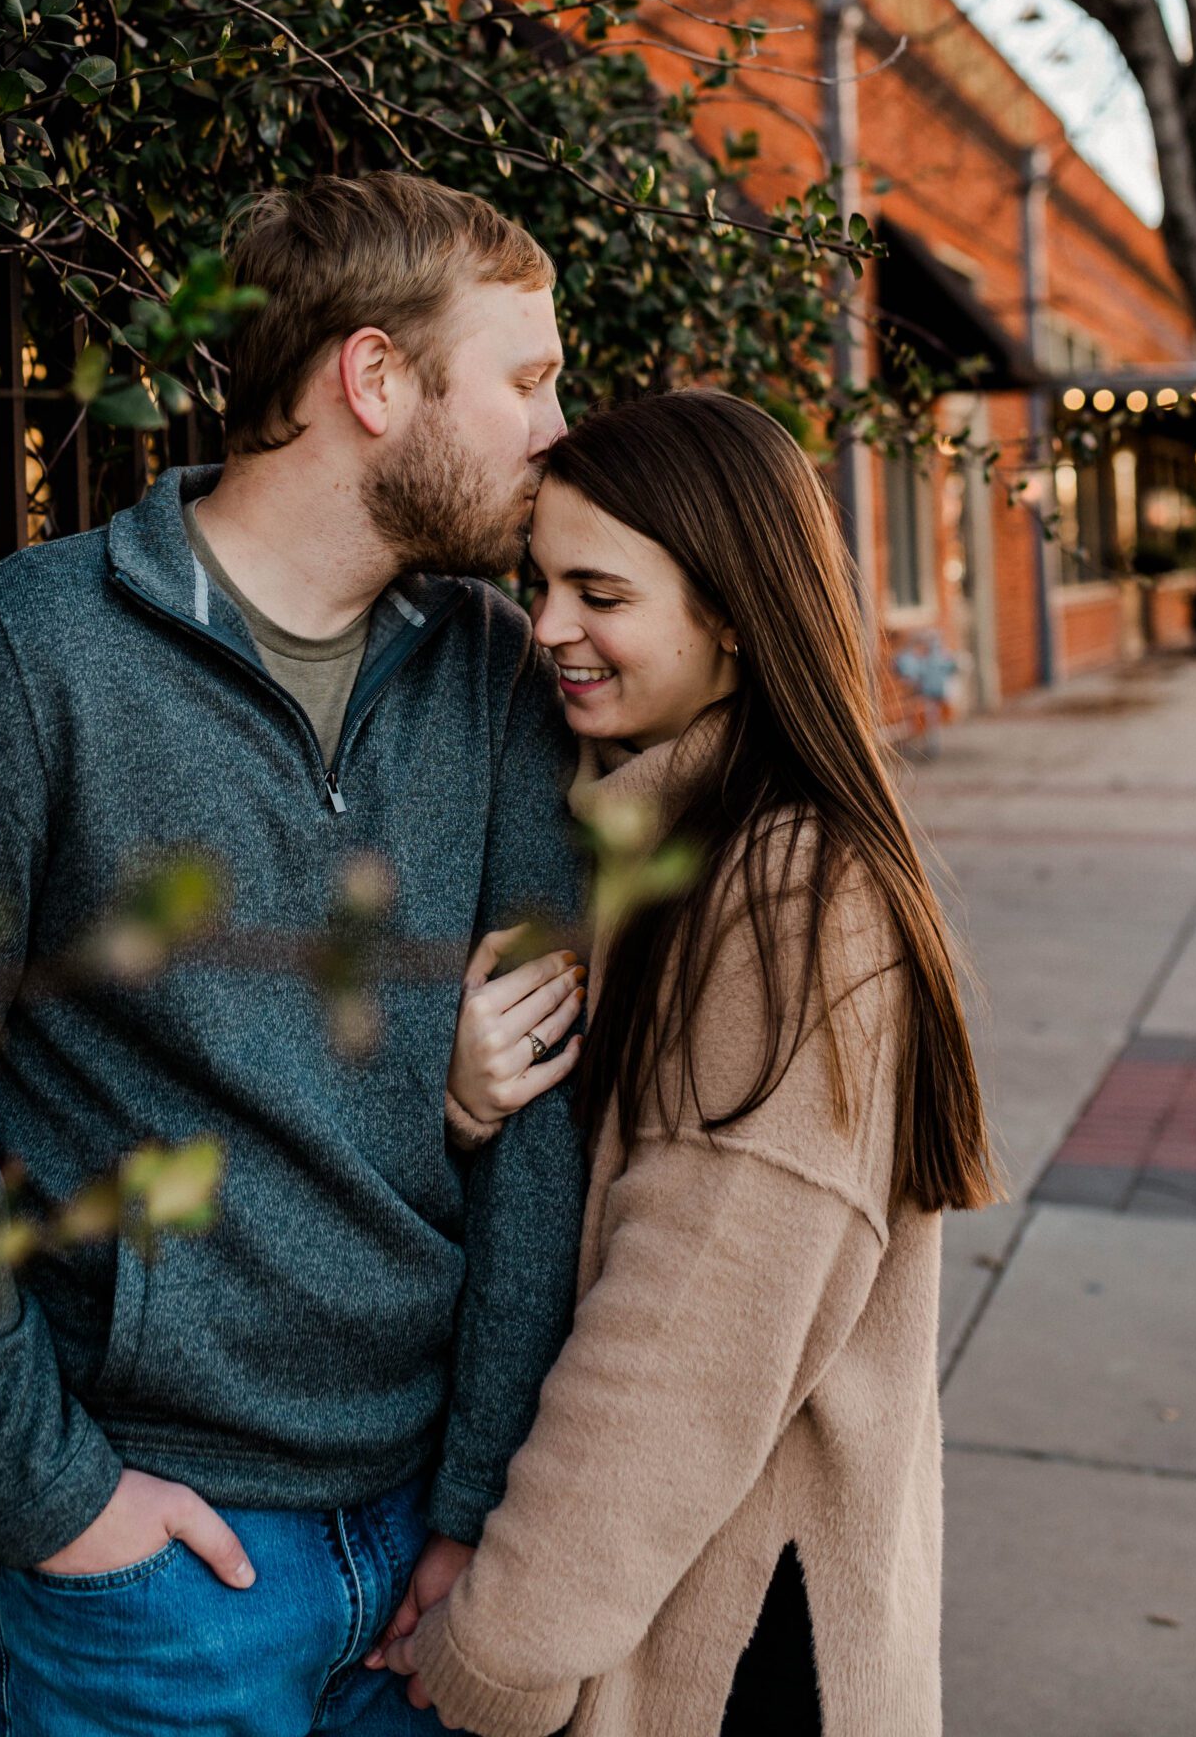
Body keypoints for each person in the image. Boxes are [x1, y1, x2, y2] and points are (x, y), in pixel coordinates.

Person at [0, 171, 589, 1737]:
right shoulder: (37, 656)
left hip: (425, 1567)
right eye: (525, 380)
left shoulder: (495, 675)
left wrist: (475, 1508)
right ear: (374, 381)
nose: (554, 426)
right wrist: (55, 1498)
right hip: (153, 1572)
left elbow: (541, 1123)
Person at [377, 389, 995, 1737]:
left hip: (736, 1645)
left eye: (598, 590)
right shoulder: (670, 846)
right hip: (688, 1602)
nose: (544, 628)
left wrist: (501, 1645)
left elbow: (689, 1329)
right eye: (538, 581)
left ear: (729, 610)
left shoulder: (793, 890)